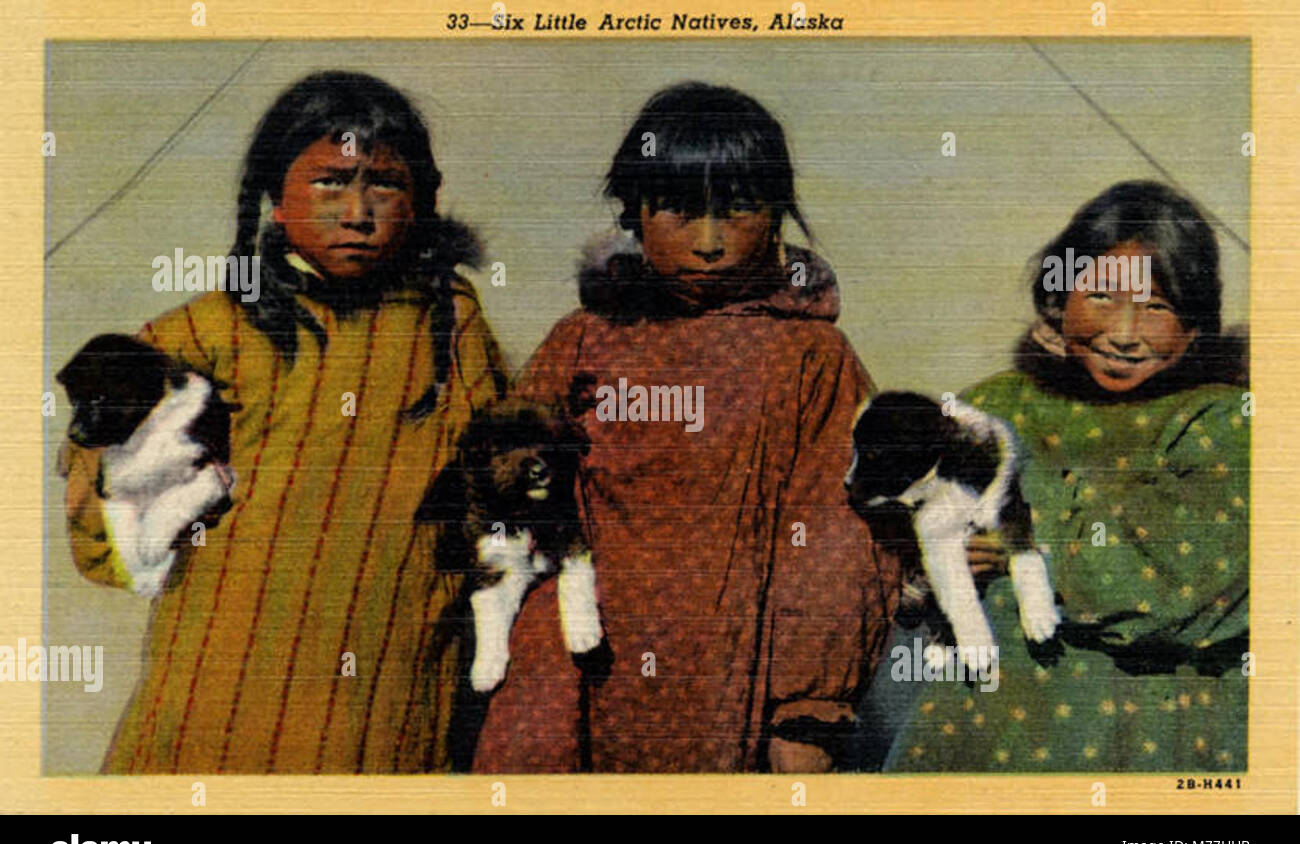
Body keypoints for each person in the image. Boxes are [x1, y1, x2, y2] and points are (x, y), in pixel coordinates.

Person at [60, 71, 508, 773]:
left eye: (383, 184)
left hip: (391, 697)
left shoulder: (452, 329)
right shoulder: (214, 330)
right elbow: (105, 531)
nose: (358, 211)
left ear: (420, 198)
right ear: (275, 195)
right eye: (330, 182)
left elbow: (505, 495)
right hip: (223, 696)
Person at [468, 82, 900, 773]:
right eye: (679, 210)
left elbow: (838, 538)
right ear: (634, 215)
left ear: (779, 216)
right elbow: (503, 484)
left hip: (727, 673)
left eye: (738, 209)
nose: (709, 241)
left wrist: (809, 709)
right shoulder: (584, 341)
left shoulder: (810, 358)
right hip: (572, 666)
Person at [882, 180, 1249, 772]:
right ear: (1059, 298)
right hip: (984, 732)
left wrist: (1019, 538)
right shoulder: (996, 407)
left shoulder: (1222, 422)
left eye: (1157, 306)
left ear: (1196, 323)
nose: (1126, 333)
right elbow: (900, 536)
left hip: (1149, 733)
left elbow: (1185, 588)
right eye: (1102, 297)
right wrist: (929, 565)